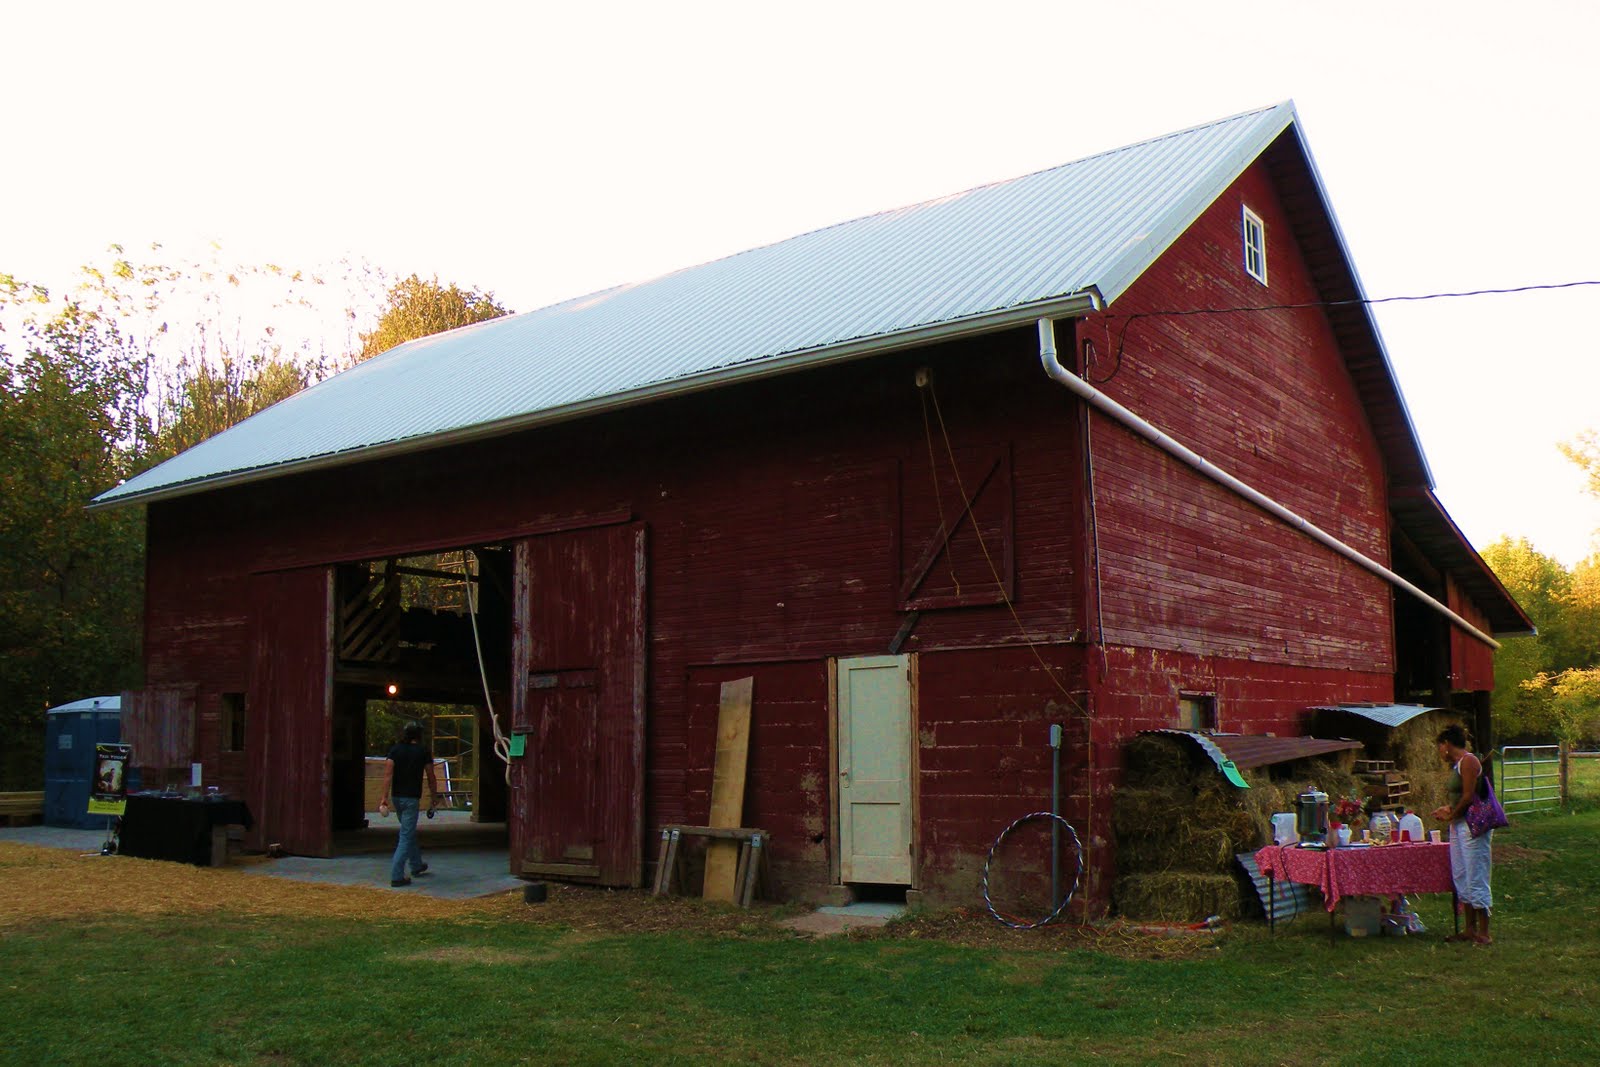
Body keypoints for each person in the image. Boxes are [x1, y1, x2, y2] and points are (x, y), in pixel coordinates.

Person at [1431, 725, 1493, 944]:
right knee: (1461, 874)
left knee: (1476, 873)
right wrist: (1449, 809)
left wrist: (1452, 814)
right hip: (1458, 825)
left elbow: (1468, 796)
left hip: (1471, 825)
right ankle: (1469, 929)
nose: (1439, 751)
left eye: (1440, 746)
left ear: (1447, 744)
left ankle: (1484, 931)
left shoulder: (1469, 761)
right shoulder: (1457, 765)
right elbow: (1460, 798)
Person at [378, 721, 439, 887]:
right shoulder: (423, 751)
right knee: (405, 835)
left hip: (397, 797)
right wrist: (434, 796)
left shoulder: (395, 750)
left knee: (408, 831)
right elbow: (431, 776)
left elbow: (388, 775)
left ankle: (416, 864)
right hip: (412, 798)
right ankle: (397, 875)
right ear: (419, 735)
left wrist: (384, 797)